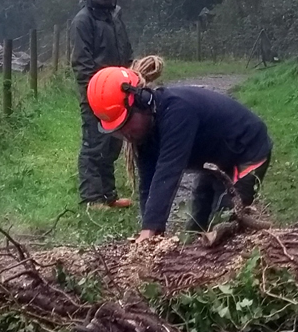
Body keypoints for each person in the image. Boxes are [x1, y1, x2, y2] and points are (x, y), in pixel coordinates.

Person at [86, 66, 272, 238]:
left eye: (126, 124)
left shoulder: (177, 111)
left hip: (247, 149)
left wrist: (151, 227)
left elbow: (168, 171)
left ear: (141, 101)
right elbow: (148, 184)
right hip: (215, 158)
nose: (126, 134)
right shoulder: (145, 131)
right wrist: (149, 231)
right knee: (196, 225)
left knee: (225, 218)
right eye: (118, 131)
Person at [71, 0, 134, 209]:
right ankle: (91, 197)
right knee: (94, 143)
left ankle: (108, 195)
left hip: (119, 92)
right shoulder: (82, 21)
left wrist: (132, 77)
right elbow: (81, 63)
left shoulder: (116, 17)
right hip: (95, 94)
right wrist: (93, 95)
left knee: (112, 144)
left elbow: (125, 51)